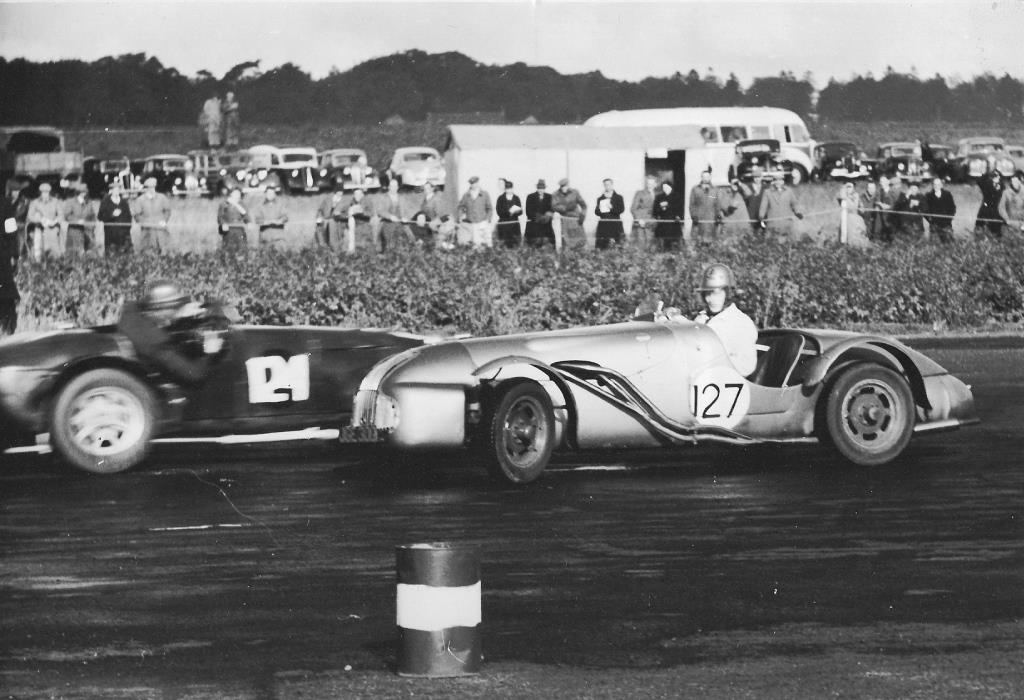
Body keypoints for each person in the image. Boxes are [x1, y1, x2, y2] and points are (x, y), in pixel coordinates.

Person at [116, 280, 228, 388]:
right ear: (161, 309)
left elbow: (140, 308)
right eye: (176, 306)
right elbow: (194, 375)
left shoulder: (133, 315)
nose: (181, 307)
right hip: (166, 386)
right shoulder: (159, 345)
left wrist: (175, 318)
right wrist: (210, 353)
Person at [692, 263, 758, 377]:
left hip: (725, 383)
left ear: (728, 293)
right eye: (706, 294)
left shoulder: (740, 322)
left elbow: (746, 367)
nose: (709, 299)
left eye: (715, 293)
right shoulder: (703, 318)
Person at [758, 173, 803, 241]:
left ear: (783, 181)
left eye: (780, 180)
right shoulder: (767, 192)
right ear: (773, 181)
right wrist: (761, 216)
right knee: (771, 244)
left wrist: (798, 212)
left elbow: (794, 203)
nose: (778, 182)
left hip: (786, 224)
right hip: (773, 224)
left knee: (789, 244)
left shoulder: (788, 191)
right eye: (776, 180)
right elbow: (763, 206)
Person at [689, 171, 728, 245]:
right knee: (698, 242)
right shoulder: (695, 189)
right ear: (701, 177)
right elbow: (692, 204)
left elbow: (717, 204)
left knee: (712, 242)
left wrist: (718, 216)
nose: (706, 179)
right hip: (699, 219)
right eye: (704, 177)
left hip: (711, 219)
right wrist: (694, 216)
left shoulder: (715, 190)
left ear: (710, 177)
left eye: (707, 177)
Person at [1, 186, 21, 334]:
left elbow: (12, 232)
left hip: (2, 253)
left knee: (6, 290)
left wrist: (14, 254)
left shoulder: (5, 204)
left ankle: (8, 327)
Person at [133, 177, 171, 252]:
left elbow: (167, 211)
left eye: (153, 187)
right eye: (149, 188)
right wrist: (144, 222)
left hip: (160, 228)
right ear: (145, 188)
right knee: (148, 250)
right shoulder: (140, 200)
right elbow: (136, 215)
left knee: (163, 249)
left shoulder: (162, 198)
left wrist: (164, 220)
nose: (151, 190)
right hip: (147, 230)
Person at [27, 182, 64, 260]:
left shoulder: (55, 201)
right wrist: (40, 220)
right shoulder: (35, 203)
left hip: (52, 229)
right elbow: (30, 216)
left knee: (55, 252)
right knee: (39, 251)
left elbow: (61, 215)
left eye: (47, 192)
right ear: (40, 193)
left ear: (49, 192)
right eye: (43, 192)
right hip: (39, 229)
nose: (45, 194)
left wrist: (55, 221)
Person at [97, 181, 134, 254]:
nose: (117, 191)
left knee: (125, 254)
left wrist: (126, 228)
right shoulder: (105, 202)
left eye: (118, 189)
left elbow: (129, 217)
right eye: (115, 190)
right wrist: (112, 215)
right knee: (112, 254)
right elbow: (100, 217)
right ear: (111, 190)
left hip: (123, 234)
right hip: (110, 234)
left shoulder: (123, 202)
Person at [456, 176, 493, 247]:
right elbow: (460, 207)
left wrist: (488, 219)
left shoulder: (484, 194)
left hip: (482, 222)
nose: (473, 185)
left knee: (483, 244)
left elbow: (489, 208)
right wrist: (460, 216)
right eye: (472, 183)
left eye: (475, 183)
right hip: (470, 224)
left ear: (478, 183)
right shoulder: (466, 195)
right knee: (472, 245)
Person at [551, 178, 587, 249]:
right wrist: (565, 208)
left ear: (568, 185)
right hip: (564, 220)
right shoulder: (556, 194)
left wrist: (583, 215)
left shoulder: (575, 192)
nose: (563, 188)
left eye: (565, 186)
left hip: (576, 220)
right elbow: (554, 206)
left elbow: (584, 205)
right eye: (562, 186)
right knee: (566, 242)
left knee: (579, 242)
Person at [62, 182, 96, 255]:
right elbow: (67, 216)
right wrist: (77, 221)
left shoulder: (89, 203)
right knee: (74, 253)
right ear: (77, 193)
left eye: (85, 192)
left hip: (87, 232)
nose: (84, 194)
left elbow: (93, 216)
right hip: (74, 231)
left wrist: (92, 226)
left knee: (88, 252)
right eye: (81, 192)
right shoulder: (71, 202)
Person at [377, 178, 409, 251]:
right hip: (388, 222)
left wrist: (405, 217)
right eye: (392, 186)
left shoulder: (402, 197)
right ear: (389, 187)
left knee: (410, 237)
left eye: (395, 186)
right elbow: (380, 211)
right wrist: (390, 216)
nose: (393, 188)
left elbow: (406, 210)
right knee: (389, 244)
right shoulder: (383, 197)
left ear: (397, 187)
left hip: (400, 222)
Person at [419, 182, 453, 247]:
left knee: (438, 246)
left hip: (436, 228)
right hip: (427, 228)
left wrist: (435, 223)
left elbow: (441, 215)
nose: (426, 190)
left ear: (432, 188)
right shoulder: (424, 200)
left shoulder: (436, 199)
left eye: (428, 188)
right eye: (425, 188)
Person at [652, 180, 684, 251]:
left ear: (671, 187)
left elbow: (680, 209)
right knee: (662, 243)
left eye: (667, 187)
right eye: (663, 187)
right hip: (663, 224)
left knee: (674, 243)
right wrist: (662, 209)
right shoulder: (659, 197)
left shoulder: (677, 196)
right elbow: (655, 210)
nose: (665, 189)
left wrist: (678, 216)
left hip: (674, 224)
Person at [736, 166, 768, 235]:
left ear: (762, 177)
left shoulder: (765, 187)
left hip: (763, 217)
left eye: (759, 177)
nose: (757, 179)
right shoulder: (748, 187)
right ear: (753, 177)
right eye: (755, 177)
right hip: (751, 216)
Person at [923, 177, 956, 244]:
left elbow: (952, 207)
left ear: (941, 185)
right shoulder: (928, 195)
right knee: (934, 245)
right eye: (934, 184)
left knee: (949, 244)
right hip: (934, 224)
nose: (936, 186)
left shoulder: (947, 194)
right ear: (932, 185)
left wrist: (949, 218)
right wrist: (930, 220)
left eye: (938, 184)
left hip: (946, 223)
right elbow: (925, 210)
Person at [594, 178, 625, 249]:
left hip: (615, 224)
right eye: (605, 185)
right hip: (604, 225)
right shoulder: (600, 198)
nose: (607, 186)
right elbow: (596, 212)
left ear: (612, 185)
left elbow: (621, 209)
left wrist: (612, 208)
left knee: (617, 245)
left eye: (608, 184)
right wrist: (600, 208)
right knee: (602, 246)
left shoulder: (618, 197)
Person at [216, 187, 249, 252]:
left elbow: (246, 217)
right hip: (228, 231)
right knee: (228, 250)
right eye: (235, 193)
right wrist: (223, 224)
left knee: (241, 250)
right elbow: (220, 217)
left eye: (238, 193)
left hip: (240, 230)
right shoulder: (224, 204)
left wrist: (248, 222)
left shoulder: (242, 205)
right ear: (231, 194)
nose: (237, 195)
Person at [974, 170, 1006, 238]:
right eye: (995, 176)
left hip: (996, 211)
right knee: (981, 228)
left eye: (998, 176)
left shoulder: (1002, 186)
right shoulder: (987, 185)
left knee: (997, 231)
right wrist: (986, 173)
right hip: (985, 209)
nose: (997, 177)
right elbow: (979, 181)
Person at [837, 182, 869, 247]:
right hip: (847, 218)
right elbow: (841, 196)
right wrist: (843, 190)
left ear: (853, 188)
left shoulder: (856, 195)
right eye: (847, 187)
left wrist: (862, 208)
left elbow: (860, 206)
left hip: (856, 218)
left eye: (850, 187)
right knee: (849, 235)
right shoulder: (843, 197)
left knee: (860, 233)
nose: (849, 189)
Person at [343, 188, 376, 252]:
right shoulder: (351, 202)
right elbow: (346, 212)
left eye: (359, 194)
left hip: (364, 225)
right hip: (352, 225)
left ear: (362, 194)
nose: (357, 196)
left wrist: (361, 212)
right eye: (355, 194)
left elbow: (371, 213)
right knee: (351, 242)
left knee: (364, 245)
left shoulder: (367, 201)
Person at [524, 179, 555, 247]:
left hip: (546, 227)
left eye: (542, 188)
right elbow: (528, 211)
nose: (541, 190)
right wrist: (539, 217)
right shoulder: (530, 197)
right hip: (534, 226)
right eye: (539, 188)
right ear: (537, 188)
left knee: (547, 245)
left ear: (545, 188)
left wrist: (548, 215)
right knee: (533, 245)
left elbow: (552, 209)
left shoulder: (549, 197)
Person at [630, 174, 658, 248]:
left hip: (653, 224)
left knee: (652, 246)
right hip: (641, 223)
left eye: (652, 183)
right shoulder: (640, 193)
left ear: (655, 184)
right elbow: (633, 208)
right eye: (648, 183)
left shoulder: (658, 194)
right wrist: (639, 220)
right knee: (641, 245)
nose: (650, 185)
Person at [494, 179, 523, 248]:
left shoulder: (516, 198)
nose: (509, 190)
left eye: (510, 189)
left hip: (514, 224)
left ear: (512, 189)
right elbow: (499, 212)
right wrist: (508, 212)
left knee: (515, 243)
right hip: (504, 225)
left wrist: (516, 211)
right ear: (505, 189)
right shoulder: (501, 198)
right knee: (504, 244)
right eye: (507, 189)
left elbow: (521, 211)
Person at [997, 171, 1024, 237]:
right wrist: (1007, 219)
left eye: (1016, 181)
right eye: (1013, 181)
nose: (1014, 183)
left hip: (1022, 225)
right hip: (1009, 225)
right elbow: (1001, 208)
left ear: (1020, 181)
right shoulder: (1006, 192)